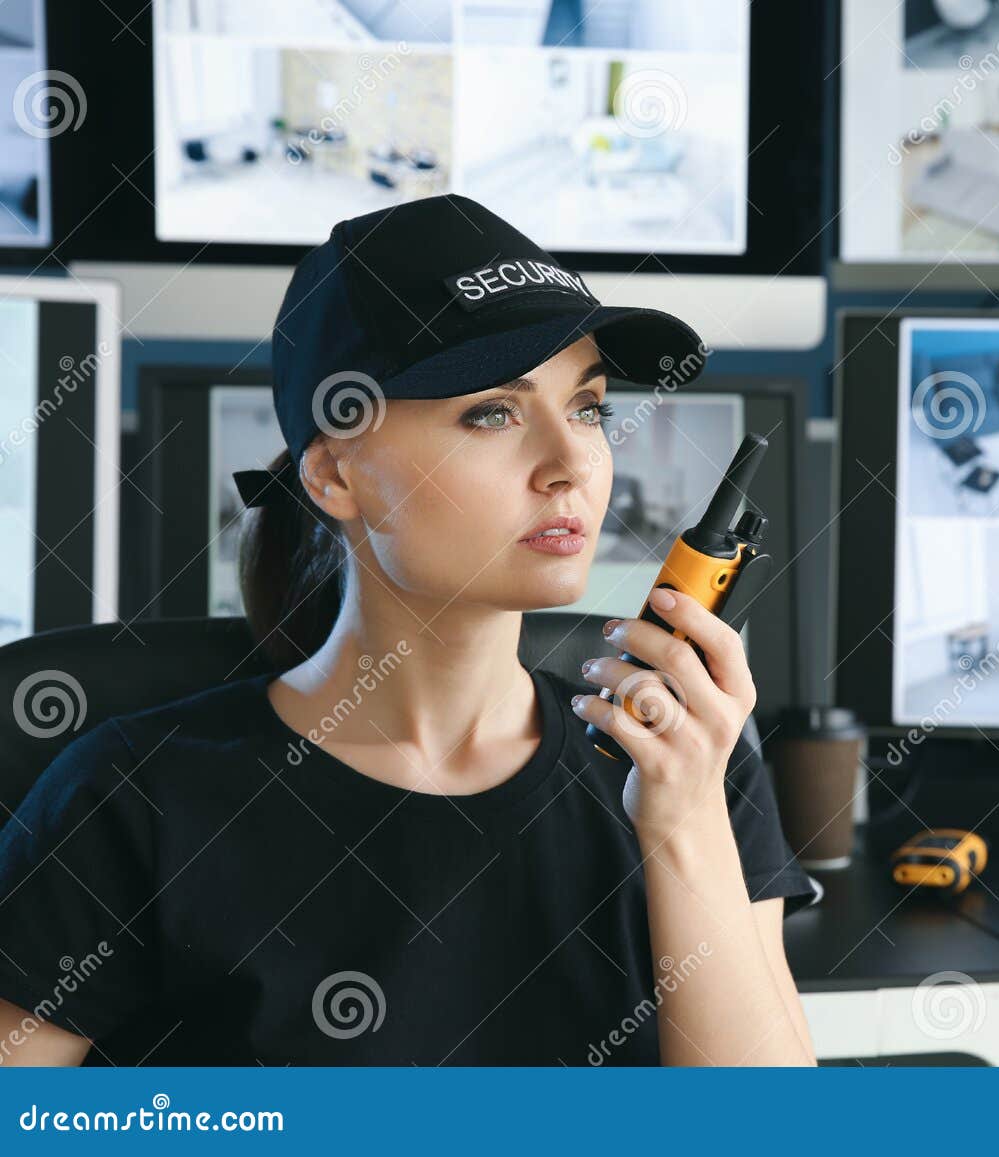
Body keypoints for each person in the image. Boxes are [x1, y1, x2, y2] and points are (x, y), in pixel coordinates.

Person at [0, 195, 816, 1066]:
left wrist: (683, 823)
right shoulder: (128, 800)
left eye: (588, 408)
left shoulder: (687, 759)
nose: (574, 461)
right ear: (337, 474)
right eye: (493, 413)